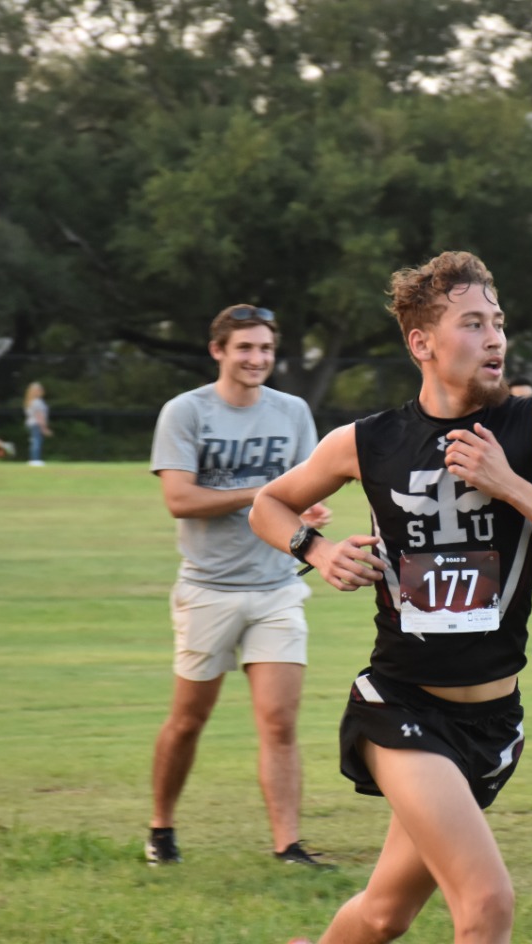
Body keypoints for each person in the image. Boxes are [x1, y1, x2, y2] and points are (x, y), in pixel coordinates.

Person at [249, 251, 532, 944]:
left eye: (499, 323)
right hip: (400, 706)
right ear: (421, 343)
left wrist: (513, 485)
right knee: (486, 906)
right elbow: (268, 505)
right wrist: (319, 551)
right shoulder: (367, 442)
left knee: (383, 914)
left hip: (492, 727)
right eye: (473, 323)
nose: (495, 339)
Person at [147, 303, 332, 868]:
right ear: (218, 351)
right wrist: (263, 497)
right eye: (245, 348)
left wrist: (304, 512)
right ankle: (161, 826)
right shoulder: (186, 412)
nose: (257, 359)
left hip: (276, 586)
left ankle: (288, 846)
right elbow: (180, 499)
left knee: (279, 722)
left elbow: (306, 487)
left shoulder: (293, 410)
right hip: (208, 590)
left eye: (266, 349)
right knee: (188, 720)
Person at [23, 382, 53, 466]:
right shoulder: (37, 402)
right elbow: (39, 416)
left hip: (31, 423)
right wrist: (44, 427)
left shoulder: (29, 401)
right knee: (37, 441)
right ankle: (35, 460)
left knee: (34, 441)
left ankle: (33, 459)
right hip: (36, 424)